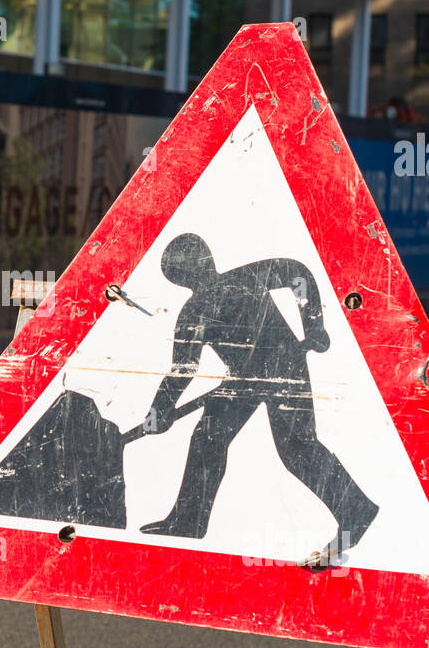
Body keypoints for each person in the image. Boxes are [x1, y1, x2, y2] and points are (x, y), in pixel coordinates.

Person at [137, 233, 379, 563]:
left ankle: (355, 509)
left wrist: (313, 324)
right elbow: (182, 369)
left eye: (195, 267)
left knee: (297, 447)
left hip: (284, 366)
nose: (197, 275)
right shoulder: (194, 313)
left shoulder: (246, 278)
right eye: (188, 273)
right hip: (242, 378)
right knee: (208, 437)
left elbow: (297, 273)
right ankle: (188, 521)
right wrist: (160, 408)